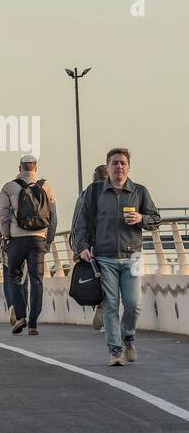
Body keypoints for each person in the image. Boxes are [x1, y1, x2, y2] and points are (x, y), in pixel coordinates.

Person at [71, 148, 160, 367]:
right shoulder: (94, 192)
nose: (118, 166)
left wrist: (141, 218)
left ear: (128, 167)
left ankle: (128, 336)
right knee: (110, 304)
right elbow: (81, 223)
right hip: (104, 258)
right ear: (107, 167)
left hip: (133, 257)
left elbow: (156, 219)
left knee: (134, 304)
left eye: (122, 163)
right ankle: (115, 349)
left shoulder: (139, 191)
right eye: (114, 163)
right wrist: (82, 247)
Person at [0, 153, 57, 336]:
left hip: (16, 240)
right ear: (35, 168)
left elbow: (2, 216)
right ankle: (33, 324)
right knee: (36, 280)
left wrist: (6, 237)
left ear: (19, 168)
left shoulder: (9, 187)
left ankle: (20, 316)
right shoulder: (46, 187)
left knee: (13, 277)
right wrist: (48, 240)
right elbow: (53, 219)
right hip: (39, 239)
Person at [71, 163, 109, 331]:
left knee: (97, 278)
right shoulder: (115, 193)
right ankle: (107, 314)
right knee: (112, 279)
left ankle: (100, 305)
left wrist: (77, 246)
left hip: (91, 244)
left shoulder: (86, 194)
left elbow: (77, 221)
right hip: (110, 242)